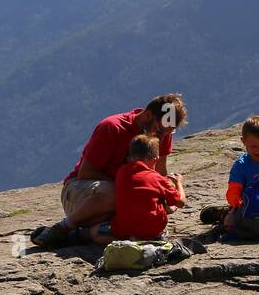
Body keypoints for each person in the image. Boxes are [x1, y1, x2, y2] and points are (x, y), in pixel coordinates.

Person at [32, 93, 187, 247]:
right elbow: (85, 172)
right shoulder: (112, 127)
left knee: (148, 208)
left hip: (118, 196)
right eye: (159, 131)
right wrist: (129, 187)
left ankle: (83, 234)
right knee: (116, 195)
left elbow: (159, 173)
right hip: (81, 190)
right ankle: (62, 228)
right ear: (147, 115)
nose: (162, 137)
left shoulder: (162, 132)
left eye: (169, 132)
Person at [87, 135, 186, 244]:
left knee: (94, 232)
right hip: (154, 229)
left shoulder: (121, 171)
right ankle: (150, 239)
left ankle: (127, 241)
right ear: (155, 158)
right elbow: (180, 203)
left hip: (126, 229)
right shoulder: (157, 178)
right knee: (165, 203)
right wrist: (179, 183)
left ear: (130, 157)